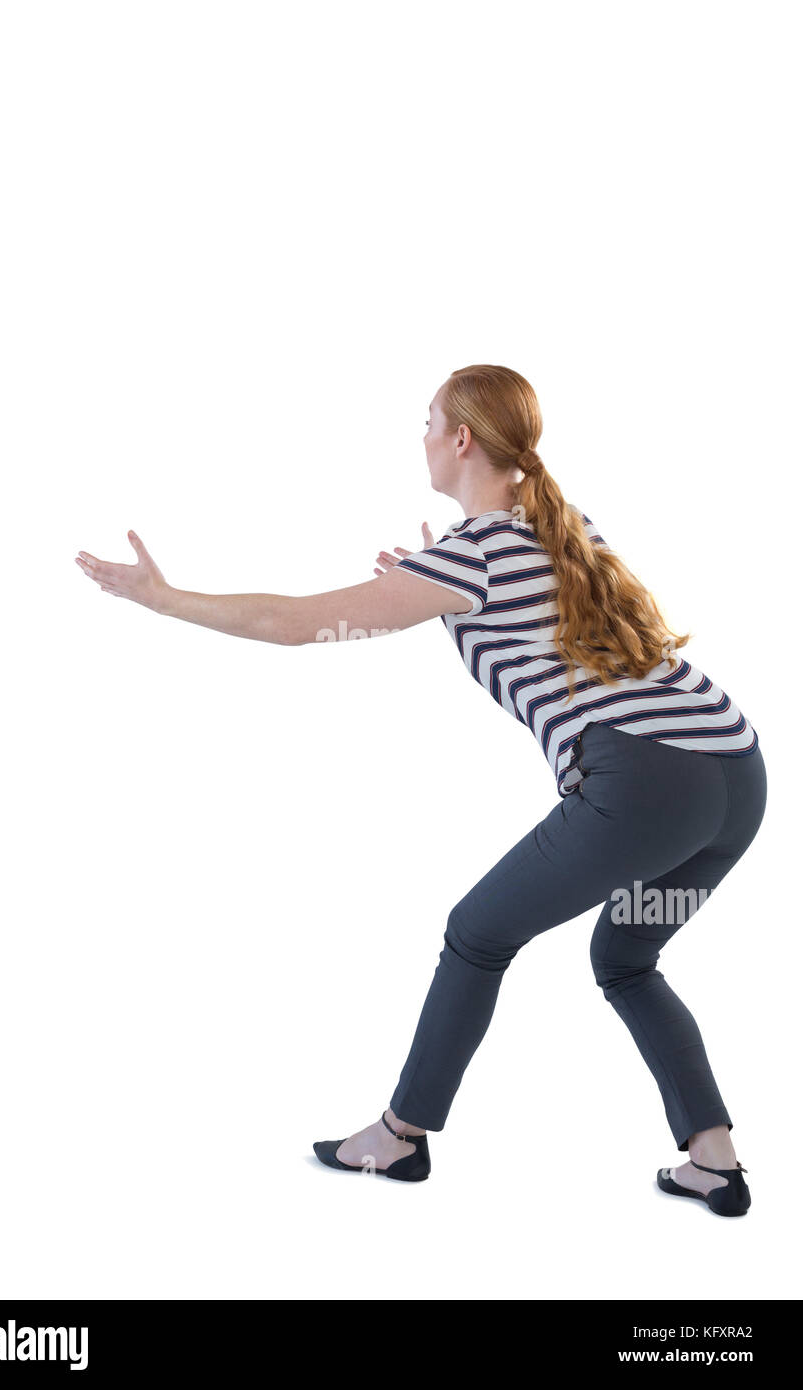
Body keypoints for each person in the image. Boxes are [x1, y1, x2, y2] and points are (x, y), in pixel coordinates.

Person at [74, 364, 767, 1216]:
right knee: (626, 959)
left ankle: (399, 1138)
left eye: (429, 421)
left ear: (462, 439)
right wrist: (429, 583)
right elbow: (517, 603)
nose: (424, 435)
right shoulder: (555, 528)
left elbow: (299, 625)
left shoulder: (475, 555)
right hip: (734, 781)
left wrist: (167, 600)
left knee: (476, 935)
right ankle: (713, 1157)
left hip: (650, 787)